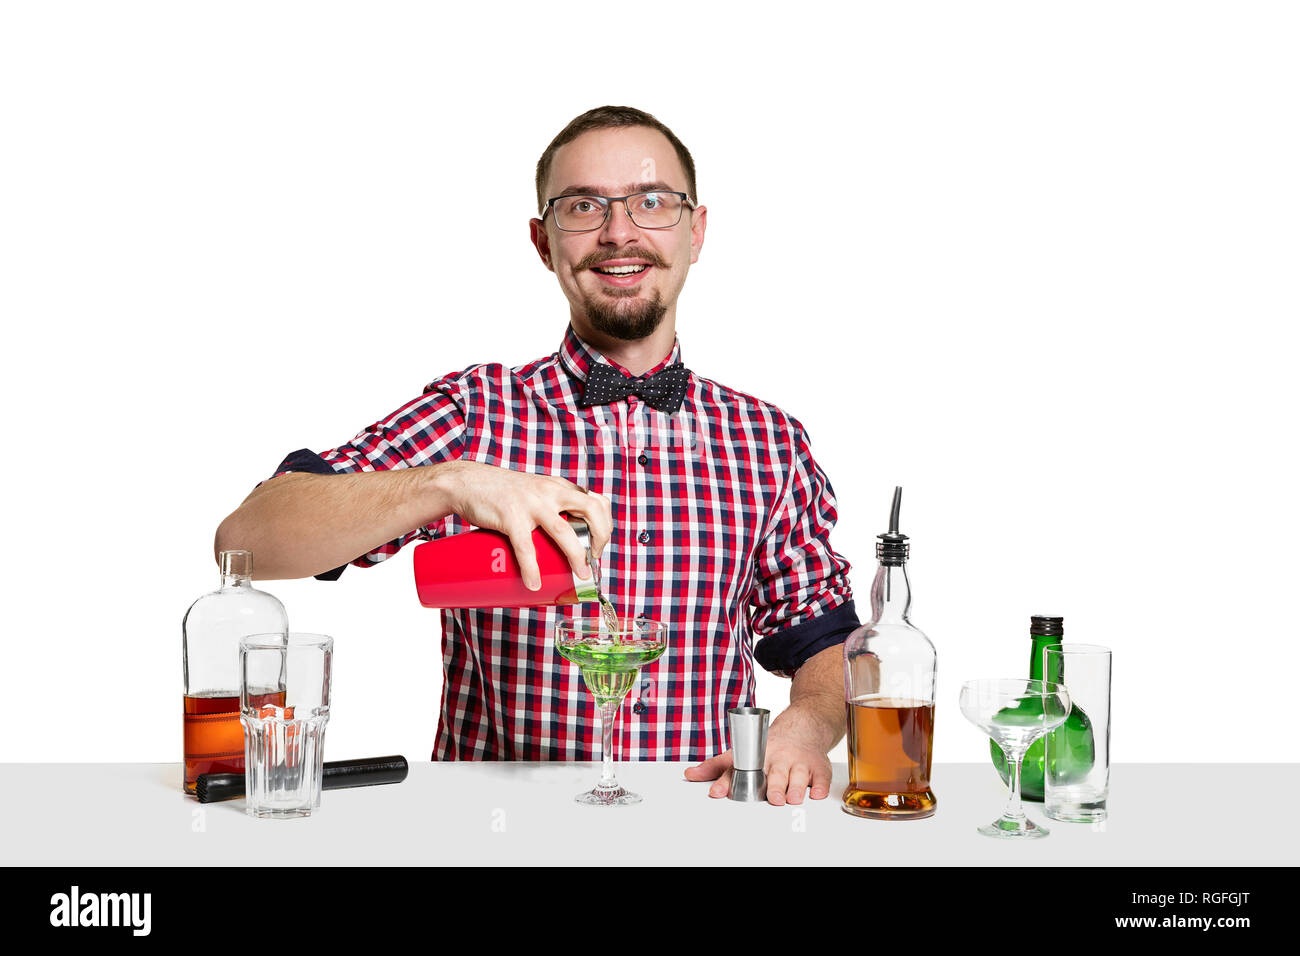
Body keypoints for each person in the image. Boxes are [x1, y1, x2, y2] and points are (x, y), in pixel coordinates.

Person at [215, 105, 860, 805]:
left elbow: (825, 640)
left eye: (651, 202)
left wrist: (805, 727)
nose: (619, 232)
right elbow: (246, 542)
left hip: (700, 821)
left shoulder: (769, 441)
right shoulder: (474, 413)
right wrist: (450, 483)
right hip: (498, 830)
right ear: (543, 242)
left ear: (696, 230)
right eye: (584, 206)